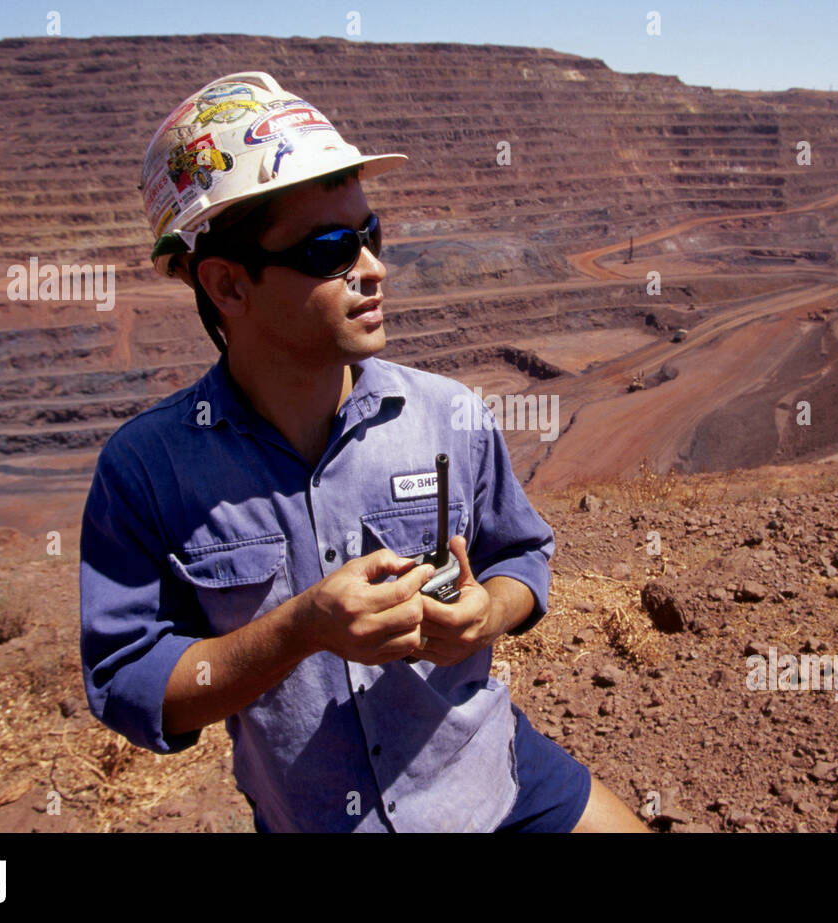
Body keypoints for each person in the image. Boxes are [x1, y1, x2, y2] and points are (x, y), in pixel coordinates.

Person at [79, 72, 648, 833]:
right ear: (226, 285)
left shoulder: (450, 413)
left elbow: (522, 556)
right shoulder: (146, 470)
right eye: (329, 250)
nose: (373, 269)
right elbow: (130, 682)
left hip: (494, 783)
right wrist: (297, 629)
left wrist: (486, 614)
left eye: (369, 234)